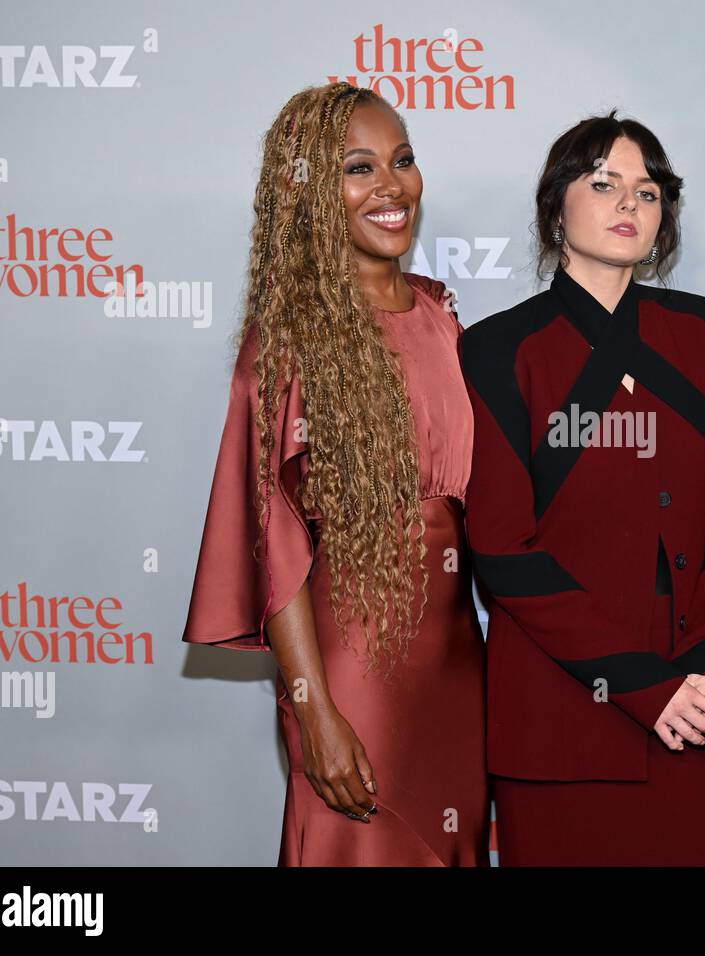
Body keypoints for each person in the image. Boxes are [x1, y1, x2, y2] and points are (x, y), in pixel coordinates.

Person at [182, 81, 489, 866]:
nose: (392, 187)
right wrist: (314, 710)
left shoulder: (442, 316)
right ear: (311, 192)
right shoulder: (285, 345)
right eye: (359, 168)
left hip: (459, 669)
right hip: (355, 670)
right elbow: (275, 550)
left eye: (403, 160)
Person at [459, 111, 705, 865]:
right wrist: (644, 688)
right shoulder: (499, 348)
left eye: (648, 191)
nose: (630, 204)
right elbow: (503, 548)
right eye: (604, 184)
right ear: (555, 208)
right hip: (567, 725)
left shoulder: (694, 328)